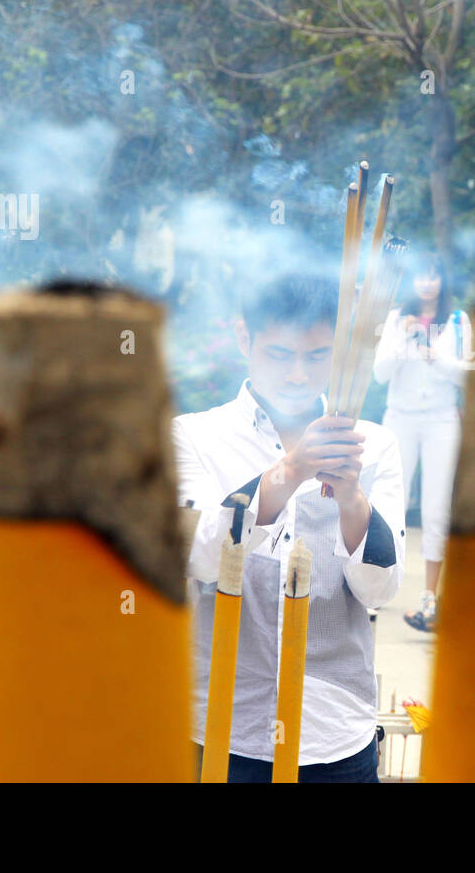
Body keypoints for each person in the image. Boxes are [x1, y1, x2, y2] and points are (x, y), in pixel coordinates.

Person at [173, 272, 405, 783]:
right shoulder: (194, 436)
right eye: (279, 355)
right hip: (219, 727)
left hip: (335, 731)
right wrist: (289, 472)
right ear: (243, 338)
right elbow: (195, 553)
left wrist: (352, 499)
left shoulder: (375, 445)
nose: (298, 375)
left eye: (317, 356)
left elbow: (379, 589)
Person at [371, 253, 473, 633]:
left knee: (435, 509)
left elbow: (471, 374)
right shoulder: (396, 319)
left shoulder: (461, 322)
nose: (427, 283)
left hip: (442, 421)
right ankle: (376, 591)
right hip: (399, 417)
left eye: (435, 275)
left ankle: (429, 598)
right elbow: (380, 374)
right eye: (421, 276)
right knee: (388, 503)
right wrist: (405, 339)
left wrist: (433, 355)